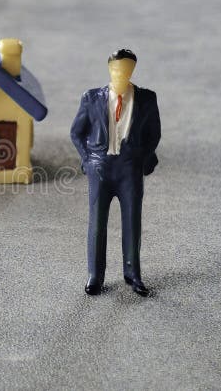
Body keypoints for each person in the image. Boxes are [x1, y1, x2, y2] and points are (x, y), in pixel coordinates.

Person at [70, 49, 161, 296]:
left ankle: (133, 274)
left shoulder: (147, 99)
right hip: (100, 168)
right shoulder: (91, 98)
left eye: (127, 69)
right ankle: (95, 276)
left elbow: (154, 134)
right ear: (110, 69)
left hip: (130, 169)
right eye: (117, 69)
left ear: (132, 71)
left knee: (132, 221)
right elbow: (76, 132)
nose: (122, 73)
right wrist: (88, 159)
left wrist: (142, 159)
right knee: (97, 223)